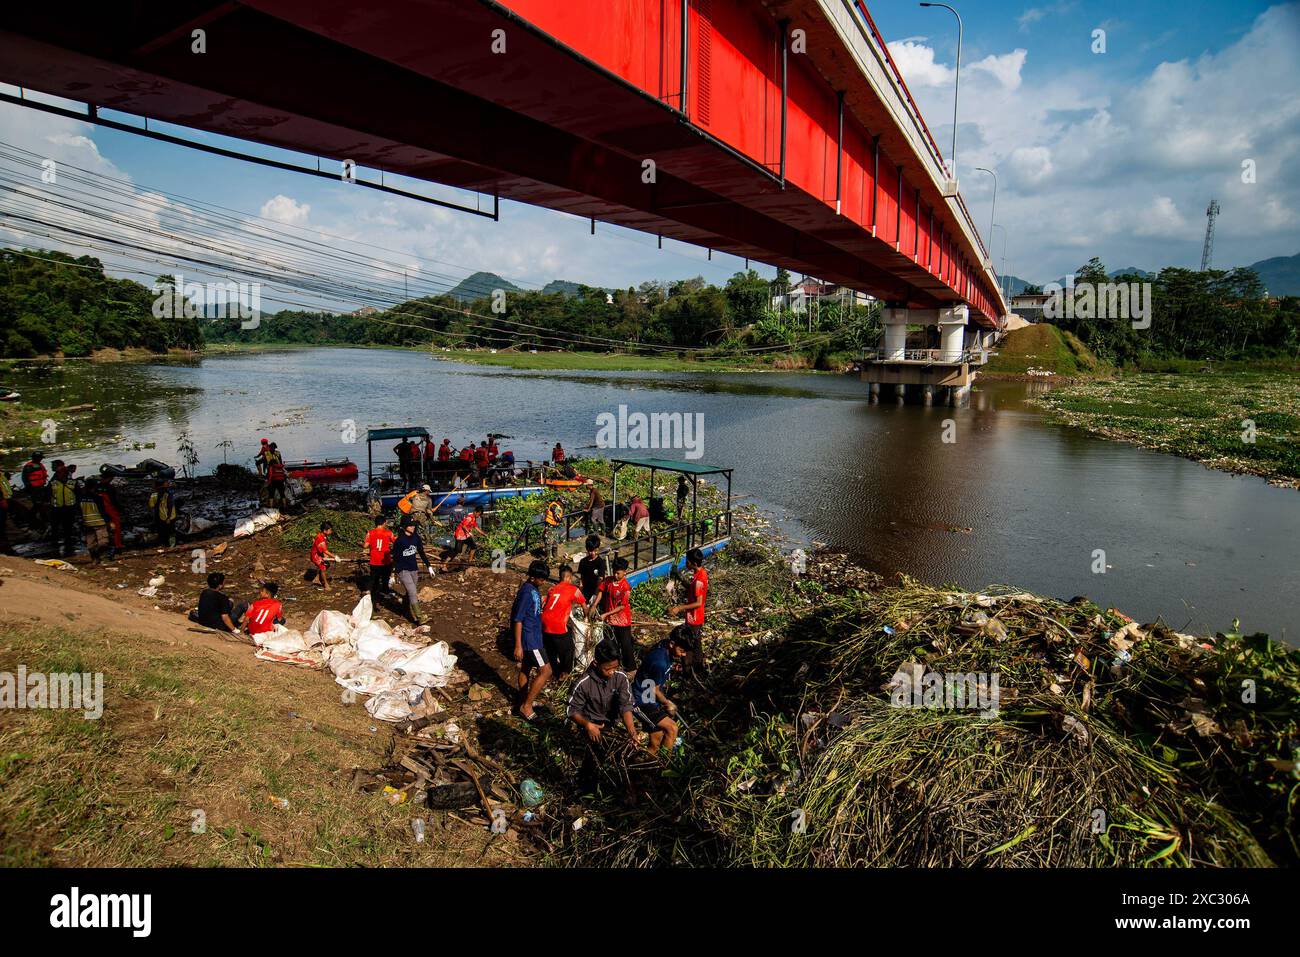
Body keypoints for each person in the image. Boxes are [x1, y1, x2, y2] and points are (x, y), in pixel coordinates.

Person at [568, 639, 644, 792]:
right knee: (594, 756)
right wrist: (588, 725)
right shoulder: (583, 683)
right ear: (596, 664)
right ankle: (585, 786)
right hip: (590, 724)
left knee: (627, 754)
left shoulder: (620, 678)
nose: (612, 672)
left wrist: (631, 730)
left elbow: (626, 705)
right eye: (608, 669)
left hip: (610, 724)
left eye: (615, 667)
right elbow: (571, 710)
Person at [631, 626, 694, 753]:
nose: (683, 654)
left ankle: (650, 763)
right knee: (672, 729)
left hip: (650, 698)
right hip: (641, 700)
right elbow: (654, 690)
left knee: (657, 737)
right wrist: (667, 703)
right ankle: (665, 765)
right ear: (672, 644)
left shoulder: (665, 646)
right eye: (681, 650)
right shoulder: (659, 662)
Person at [512, 559, 550, 720]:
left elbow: (531, 610)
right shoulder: (526, 592)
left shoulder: (532, 589)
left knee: (526, 668)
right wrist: (518, 645)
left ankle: (523, 700)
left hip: (534, 635)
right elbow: (517, 619)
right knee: (546, 671)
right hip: (530, 638)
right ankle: (526, 705)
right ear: (533, 577)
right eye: (541, 579)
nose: (543, 582)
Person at [590, 556, 635, 671]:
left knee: (626, 645)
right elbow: (600, 592)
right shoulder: (608, 581)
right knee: (611, 644)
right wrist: (594, 605)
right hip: (610, 620)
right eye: (614, 572)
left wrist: (606, 614)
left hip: (622, 621)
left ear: (624, 572)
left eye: (618, 573)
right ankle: (616, 665)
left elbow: (622, 606)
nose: (616, 575)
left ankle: (630, 668)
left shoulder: (626, 587)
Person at [541, 564, 582, 684]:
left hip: (544, 623)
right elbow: (584, 605)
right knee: (568, 650)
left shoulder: (552, 588)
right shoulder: (574, 589)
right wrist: (587, 617)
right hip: (558, 625)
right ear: (569, 578)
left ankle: (552, 669)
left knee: (551, 649)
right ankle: (564, 673)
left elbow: (546, 604)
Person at [669, 547, 709, 669]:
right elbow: (690, 588)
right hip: (695, 617)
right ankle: (697, 666)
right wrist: (679, 576)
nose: (686, 563)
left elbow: (698, 602)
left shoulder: (699, 580)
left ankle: (689, 668)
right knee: (696, 642)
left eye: (688, 562)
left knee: (688, 643)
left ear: (694, 563)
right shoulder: (700, 574)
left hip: (694, 617)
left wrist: (679, 608)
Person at [392, 517, 435, 624]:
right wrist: (393, 574)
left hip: (413, 569)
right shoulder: (399, 541)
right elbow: (395, 558)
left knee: (410, 591)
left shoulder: (416, 537)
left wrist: (429, 566)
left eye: (413, 525)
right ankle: (420, 617)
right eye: (410, 525)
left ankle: (405, 609)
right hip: (402, 570)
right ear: (404, 527)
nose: (413, 527)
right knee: (412, 591)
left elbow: (421, 552)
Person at [49, 460, 79, 557]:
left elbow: (78, 495)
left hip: (69, 508)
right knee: (55, 527)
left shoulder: (72, 482)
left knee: (68, 527)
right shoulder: (53, 483)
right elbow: (47, 495)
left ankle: (68, 544)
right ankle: (56, 544)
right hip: (56, 508)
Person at [78, 477, 111, 563]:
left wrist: (81, 522)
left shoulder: (80, 498)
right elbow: (102, 511)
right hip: (99, 522)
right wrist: (109, 521)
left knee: (90, 544)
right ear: (94, 487)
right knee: (103, 542)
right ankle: (101, 557)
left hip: (87, 524)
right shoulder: (97, 497)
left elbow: (78, 511)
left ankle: (95, 559)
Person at [364, 514, 396, 600]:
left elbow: (365, 546)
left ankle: (372, 595)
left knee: (374, 578)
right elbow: (395, 542)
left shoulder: (370, 533)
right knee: (385, 578)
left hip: (374, 560)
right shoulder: (389, 533)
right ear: (384, 523)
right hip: (385, 560)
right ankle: (385, 592)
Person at [310, 521, 340, 591]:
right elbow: (325, 550)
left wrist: (325, 555)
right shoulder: (320, 538)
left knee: (327, 565)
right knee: (323, 567)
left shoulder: (323, 536)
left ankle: (317, 579)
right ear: (325, 530)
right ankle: (326, 585)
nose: (331, 531)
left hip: (319, 554)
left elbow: (322, 549)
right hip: (315, 555)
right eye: (330, 530)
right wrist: (335, 557)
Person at [21, 451, 50, 526]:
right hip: (34, 488)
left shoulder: (39, 465)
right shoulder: (29, 466)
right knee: (38, 503)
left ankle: (41, 517)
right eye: (39, 457)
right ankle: (32, 517)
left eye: (41, 458)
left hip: (40, 487)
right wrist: (29, 488)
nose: (41, 459)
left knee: (40, 503)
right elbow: (25, 478)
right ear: (35, 458)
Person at [577, 535, 606, 603]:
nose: (592, 553)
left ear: (598, 549)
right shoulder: (583, 562)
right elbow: (581, 579)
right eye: (590, 551)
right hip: (586, 591)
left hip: (597, 591)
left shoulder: (600, 563)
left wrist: (595, 595)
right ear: (587, 549)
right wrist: (580, 593)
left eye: (595, 550)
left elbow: (600, 580)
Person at [149, 478, 178, 547]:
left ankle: (168, 544)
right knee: (168, 531)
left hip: (165, 516)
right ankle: (170, 544)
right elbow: (170, 506)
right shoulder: (166, 494)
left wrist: (168, 517)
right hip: (167, 516)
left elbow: (152, 506)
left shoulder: (157, 495)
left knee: (166, 531)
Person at [265, 442, 288, 508]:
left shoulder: (271, 467)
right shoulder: (280, 468)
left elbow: (270, 476)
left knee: (271, 494)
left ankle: (271, 507)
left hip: (274, 481)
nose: (271, 448)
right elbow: (284, 475)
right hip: (280, 481)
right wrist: (285, 480)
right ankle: (285, 505)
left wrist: (268, 482)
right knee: (282, 494)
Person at [542, 497, 565, 562]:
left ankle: (555, 556)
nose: (562, 504)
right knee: (549, 542)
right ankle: (548, 558)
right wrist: (561, 520)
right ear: (559, 501)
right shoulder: (554, 505)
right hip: (550, 526)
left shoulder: (558, 507)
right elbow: (557, 517)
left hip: (555, 526)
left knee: (555, 541)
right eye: (562, 503)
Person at [0, 467, 14, 554]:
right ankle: (4, 547)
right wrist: (2, 500)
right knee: (1, 524)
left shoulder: (1, 473)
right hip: (1, 502)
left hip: (5, 499)